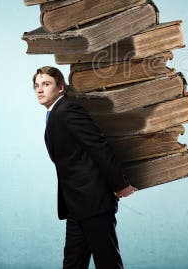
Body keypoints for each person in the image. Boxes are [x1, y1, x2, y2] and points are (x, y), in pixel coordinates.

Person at [33, 66, 138, 269]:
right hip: (76, 204)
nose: (40, 89)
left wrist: (120, 185)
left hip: (93, 202)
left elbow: (98, 147)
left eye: (46, 84)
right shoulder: (55, 113)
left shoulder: (68, 110)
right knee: (73, 263)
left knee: (107, 263)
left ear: (61, 88)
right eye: (37, 85)